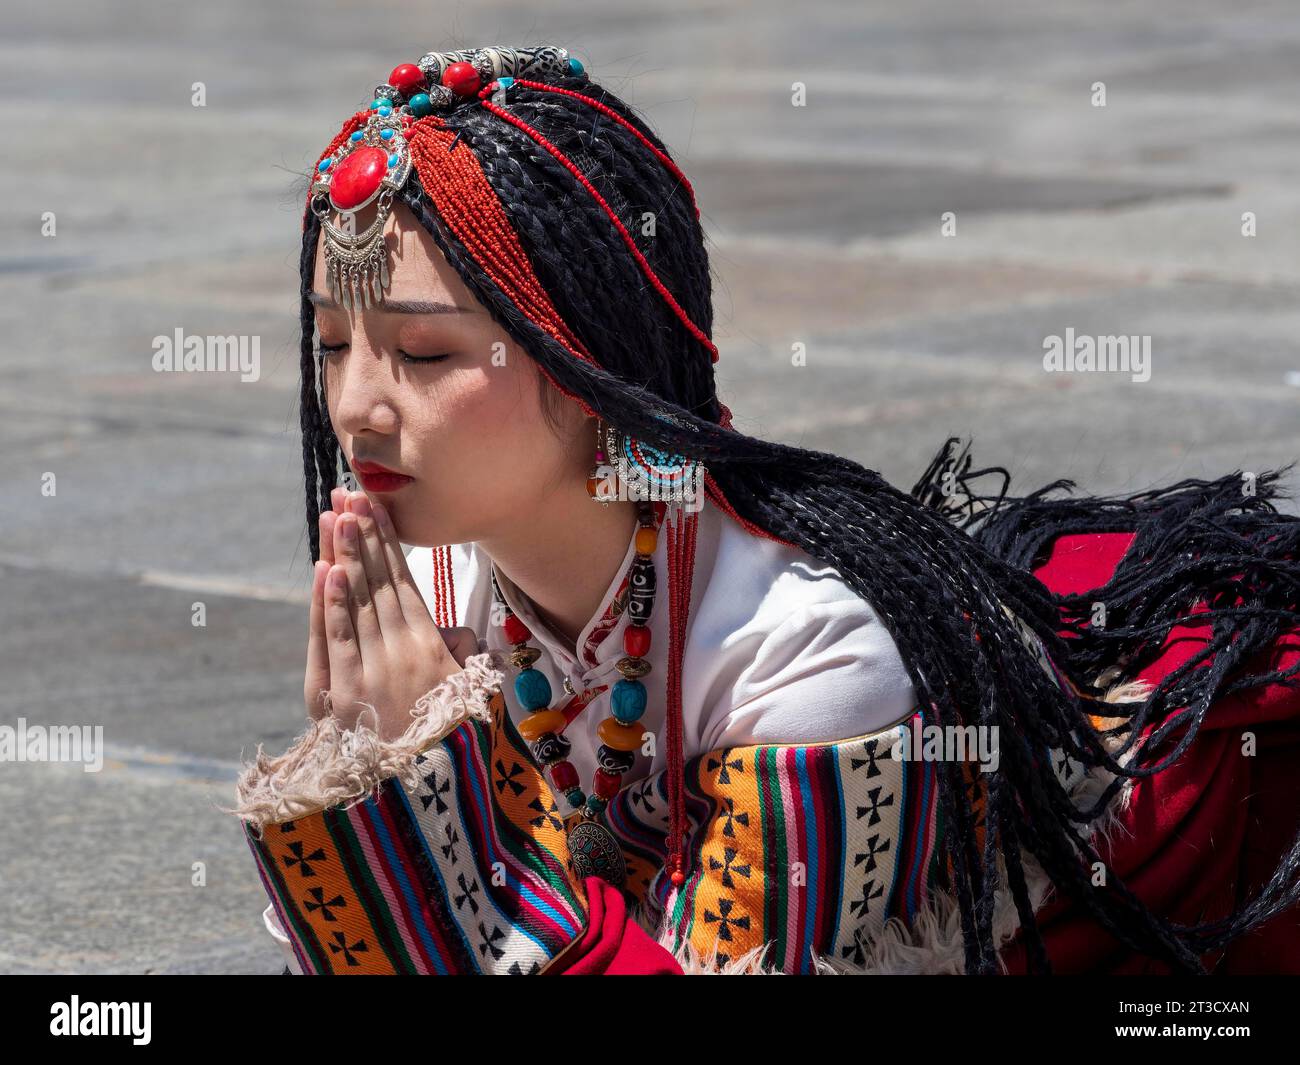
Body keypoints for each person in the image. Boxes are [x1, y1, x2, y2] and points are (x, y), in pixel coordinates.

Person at [227, 45, 1300, 975]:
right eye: (329, 344)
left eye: (423, 352)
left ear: (591, 360)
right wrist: (369, 768)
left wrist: (427, 787)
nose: (356, 405)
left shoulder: (807, 652)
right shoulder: (429, 580)